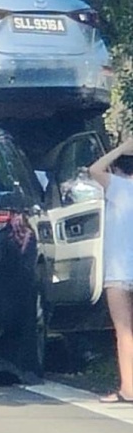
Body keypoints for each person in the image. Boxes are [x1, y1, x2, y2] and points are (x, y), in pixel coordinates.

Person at [88, 136, 133, 403]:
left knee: (124, 330)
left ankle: (129, 387)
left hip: (118, 271)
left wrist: (121, 147)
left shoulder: (116, 186)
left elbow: (94, 170)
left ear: (117, 168)